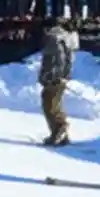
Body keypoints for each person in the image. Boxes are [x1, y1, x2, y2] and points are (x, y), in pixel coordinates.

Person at [38, 17, 75, 145]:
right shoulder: (65, 38)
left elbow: (56, 60)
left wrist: (50, 75)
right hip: (60, 77)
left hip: (54, 78)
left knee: (49, 105)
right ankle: (61, 133)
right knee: (54, 104)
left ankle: (59, 130)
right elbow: (68, 59)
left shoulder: (53, 39)